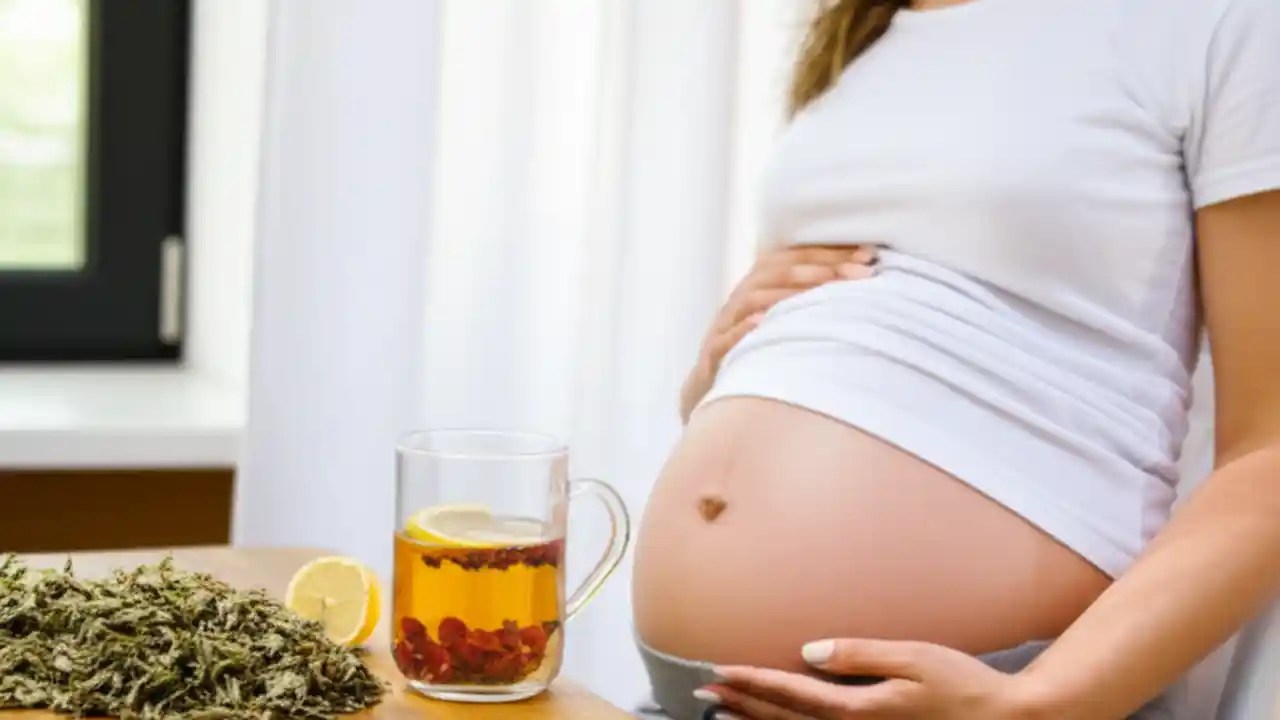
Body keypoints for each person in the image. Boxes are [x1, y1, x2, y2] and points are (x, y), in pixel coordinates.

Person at [630, 0, 1280, 717]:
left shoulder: (1216, 21)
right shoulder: (864, 33)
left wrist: (1033, 705)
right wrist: (717, 370)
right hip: (692, 694)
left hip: (1004, 692)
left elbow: (1269, 451)